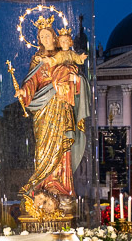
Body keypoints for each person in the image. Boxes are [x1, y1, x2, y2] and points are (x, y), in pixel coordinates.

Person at [14, 17, 90, 206]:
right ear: (39, 40)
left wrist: (75, 80)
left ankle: (61, 187)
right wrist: (24, 91)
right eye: (42, 36)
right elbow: (32, 81)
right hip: (43, 108)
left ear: (55, 37)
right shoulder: (38, 59)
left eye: (48, 35)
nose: (46, 39)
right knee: (43, 147)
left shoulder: (64, 55)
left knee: (62, 146)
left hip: (60, 104)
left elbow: (78, 77)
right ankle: (43, 185)